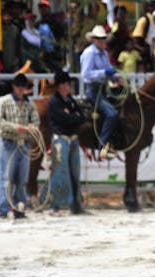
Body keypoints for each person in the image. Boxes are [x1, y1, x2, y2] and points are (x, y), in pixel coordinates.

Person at [0, 73, 40, 221]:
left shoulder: (29, 104)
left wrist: (31, 127)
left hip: (24, 145)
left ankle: (19, 209)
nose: (20, 89)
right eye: (18, 86)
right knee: (6, 178)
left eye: (23, 87)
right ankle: (3, 210)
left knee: (22, 179)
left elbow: (36, 121)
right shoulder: (4, 101)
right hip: (9, 143)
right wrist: (17, 127)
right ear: (14, 87)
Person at [47, 70, 85, 215]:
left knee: (75, 172)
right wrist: (73, 117)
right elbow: (68, 119)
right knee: (59, 171)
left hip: (72, 139)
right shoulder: (54, 102)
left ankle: (75, 204)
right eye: (67, 84)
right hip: (60, 140)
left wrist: (72, 117)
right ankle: (55, 205)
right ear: (61, 85)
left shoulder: (70, 100)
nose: (69, 86)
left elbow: (80, 116)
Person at [80, 25, 118, 161]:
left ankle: (112, 142)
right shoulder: (90, 53)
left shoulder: (104, 53)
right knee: (112, 114)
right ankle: (102, 144)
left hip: (103, 89)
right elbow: (85, 74)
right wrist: (104, 73)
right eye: (99, 39)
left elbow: (108, 69)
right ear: (94, 40)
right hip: (92, 90)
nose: (102, 41)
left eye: (103, 39)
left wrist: (114, 76)